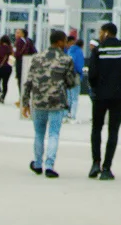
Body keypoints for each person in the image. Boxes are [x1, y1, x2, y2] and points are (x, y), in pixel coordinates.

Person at [21, 29, 79, 178]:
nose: (66, 44)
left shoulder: (37, 58)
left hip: (38, 101)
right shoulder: (66, 60)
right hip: (57, 102)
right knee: (53, 134)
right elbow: (71, 82)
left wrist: (25, 102)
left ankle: (37, 164)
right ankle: (49, 165)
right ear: (60, 42)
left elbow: (28, 81)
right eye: (65, 41)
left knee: (39, 133)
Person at [86, 23, 121, 180]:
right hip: (119, 97)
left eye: (101, 32)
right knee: (113, 131)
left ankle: (95, 163)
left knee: (96, 129)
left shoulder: (99, 50)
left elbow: (92, 74)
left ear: (106, 32)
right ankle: (107, 167)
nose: (100, 35)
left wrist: (95, 90)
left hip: (100, 96)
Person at [65, 29, 86, 121]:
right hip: (75, 76)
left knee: (68, 96)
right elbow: (79, 65)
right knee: (75, 98)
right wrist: (80, 73)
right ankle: (73, 115)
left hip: (67, 75)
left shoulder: (69, 51)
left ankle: (66, 114)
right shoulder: (79, 52)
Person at [0, 35, 15, 103]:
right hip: (7, 68)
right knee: (5, 83)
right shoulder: (10, 49)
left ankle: (0, 93)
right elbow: (12, 61)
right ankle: (3, 97)